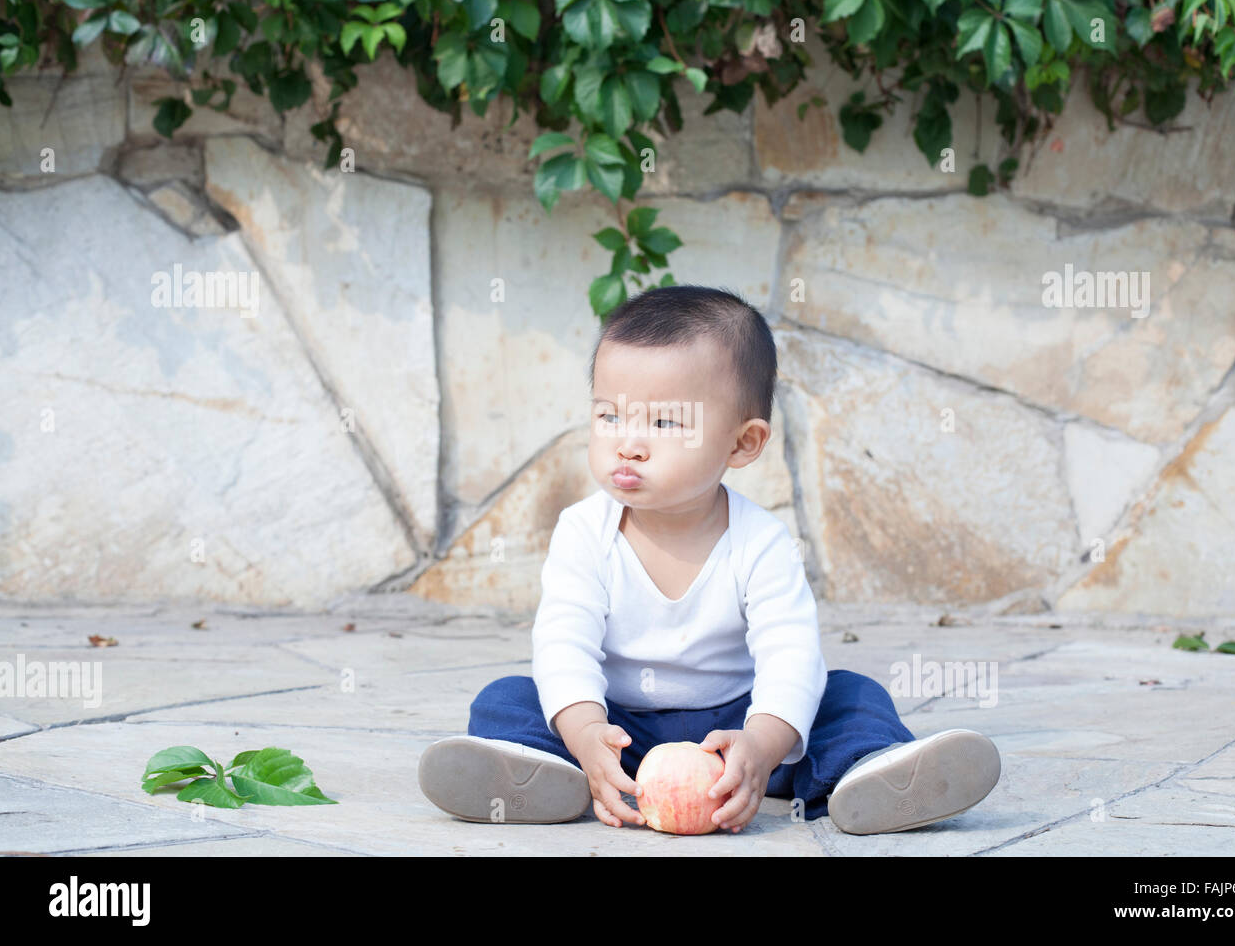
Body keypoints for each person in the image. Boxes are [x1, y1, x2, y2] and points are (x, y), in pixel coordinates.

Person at [418, 284, 1000, 834]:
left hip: (738, 736)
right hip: (622, 731)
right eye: (609, 415)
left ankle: (871, 773)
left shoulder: (761, 541)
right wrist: (587, 731)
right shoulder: (582, 532)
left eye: (665, 422)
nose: (628, 442)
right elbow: (564, 642)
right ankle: (553, 775)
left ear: (742, 443)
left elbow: (789, 654)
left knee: (849, 695)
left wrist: (764, 744)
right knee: (510, 699)